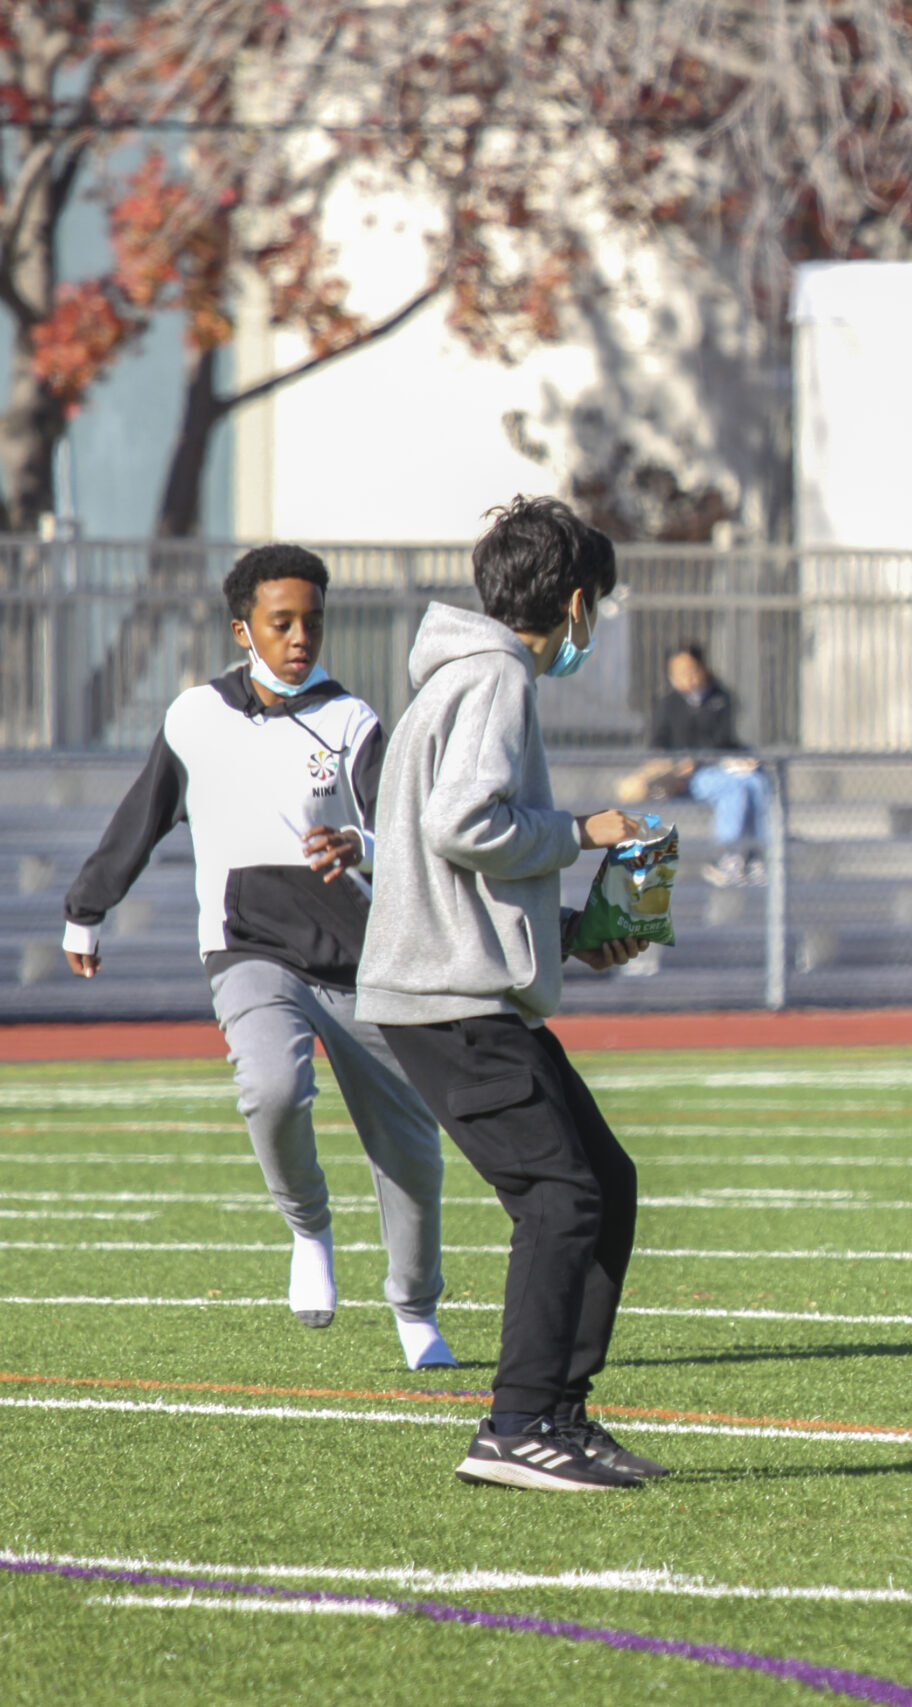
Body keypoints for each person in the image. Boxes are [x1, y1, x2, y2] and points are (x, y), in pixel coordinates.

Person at [60, 545, 456, 1371]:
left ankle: (416, 1312)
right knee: (273, 1087)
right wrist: (86, 909)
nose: (301, 635)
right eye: (282, 622)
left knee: (412, 1145)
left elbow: (412, 836)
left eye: (313, 620)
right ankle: (309, 1227)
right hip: (247, 948)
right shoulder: (193, 717)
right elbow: (145, 814)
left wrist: (364, 844)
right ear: (244, 629)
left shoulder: (352, 720)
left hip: (358, 958)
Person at [356, 498, 664, 1491]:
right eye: (597, 607)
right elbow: (464, 825)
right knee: (563, 1196)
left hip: (458, 980)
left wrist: (570, 933)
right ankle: (517, 1424)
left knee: (602, 1184)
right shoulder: (495, 675)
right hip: (448, 995)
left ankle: (560, 1417)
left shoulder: (461, 676)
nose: (594, 627)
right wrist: (584, 832)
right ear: (575, 602)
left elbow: (459, 863)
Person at [634, 642, 772, 888]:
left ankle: (757, 854)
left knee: (757, 782)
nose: (686, 678)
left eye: (691, 670)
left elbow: (724, 740)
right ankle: (727, 857)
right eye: (678, 673)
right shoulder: (668, 704)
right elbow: (658, 746)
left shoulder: (721, 698)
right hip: (688, 778)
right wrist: (674, 765)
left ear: (703, 668)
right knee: (735, 789)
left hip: (718, 767)